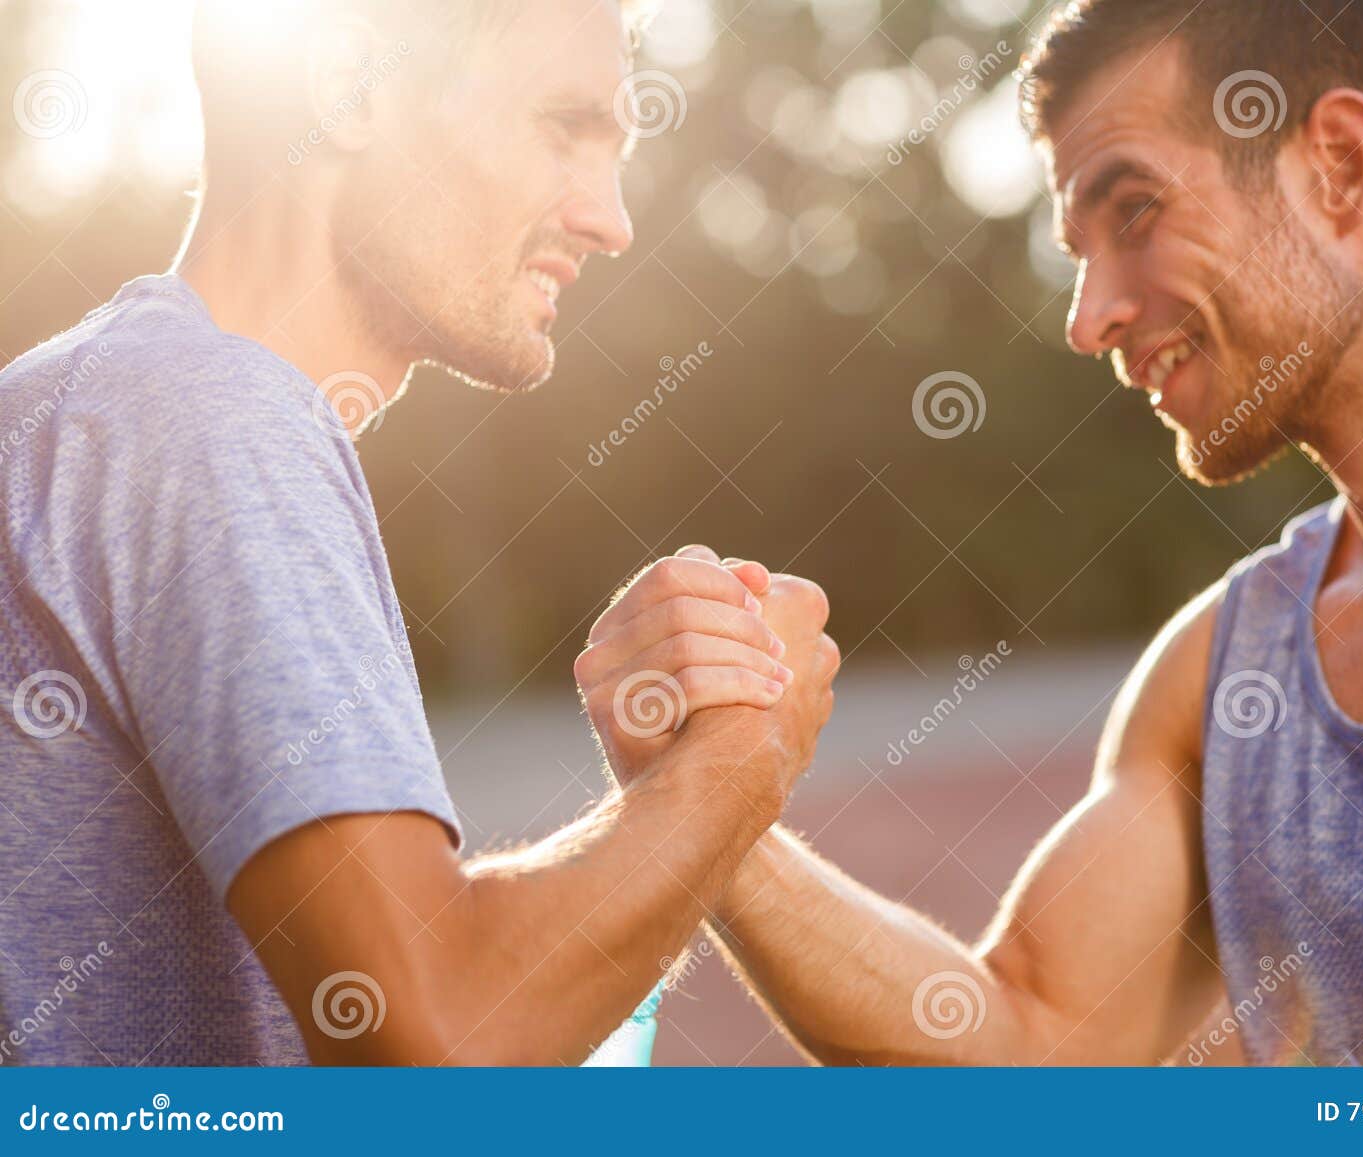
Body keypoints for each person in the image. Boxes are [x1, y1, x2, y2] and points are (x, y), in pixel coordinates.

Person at [598, 0, 1363, 1065]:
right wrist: (710, 799)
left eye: (1132, 213)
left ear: (1340, 163)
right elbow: (1026, 1047)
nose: (1088, 319)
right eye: (1076, 251)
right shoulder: (1224, 669)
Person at [0, 0, 837, 1065]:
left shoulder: (88, 402)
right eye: (564, 127)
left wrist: (650, 831)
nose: (611, 217)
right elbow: (439, 1033)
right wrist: (741, 757)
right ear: (348, 83)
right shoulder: (211, 417)